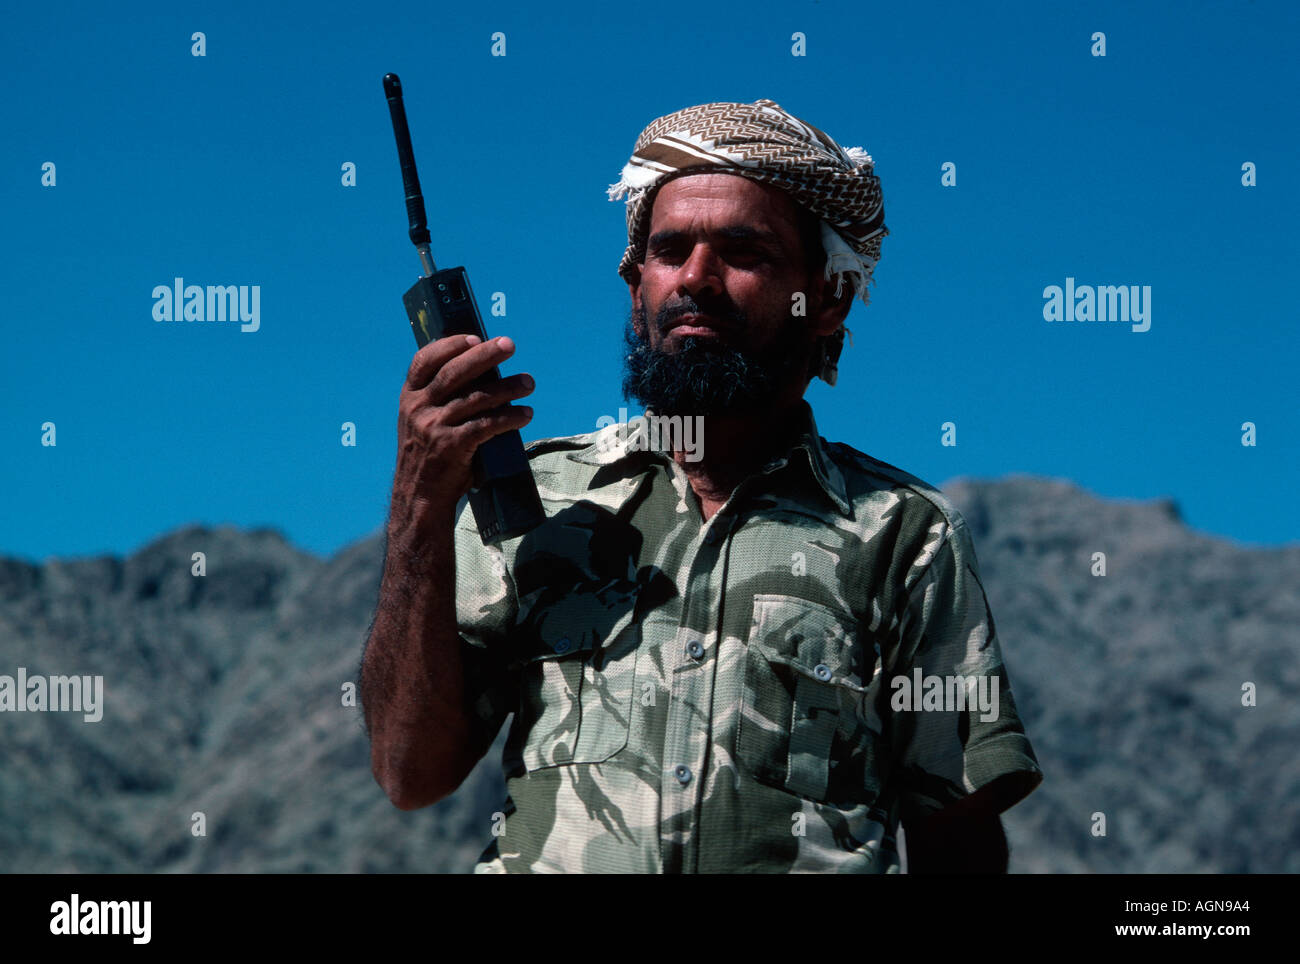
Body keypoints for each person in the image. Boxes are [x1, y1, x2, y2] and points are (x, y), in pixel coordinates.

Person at [360, 99, 1043, 874]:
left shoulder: (903, 533)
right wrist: (420, 502)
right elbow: (409, 773)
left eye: (743, 252)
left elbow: (956, 830)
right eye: (669, 250)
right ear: (634, 288)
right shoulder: (538, 500)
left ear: (828, 298)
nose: (697, 279)